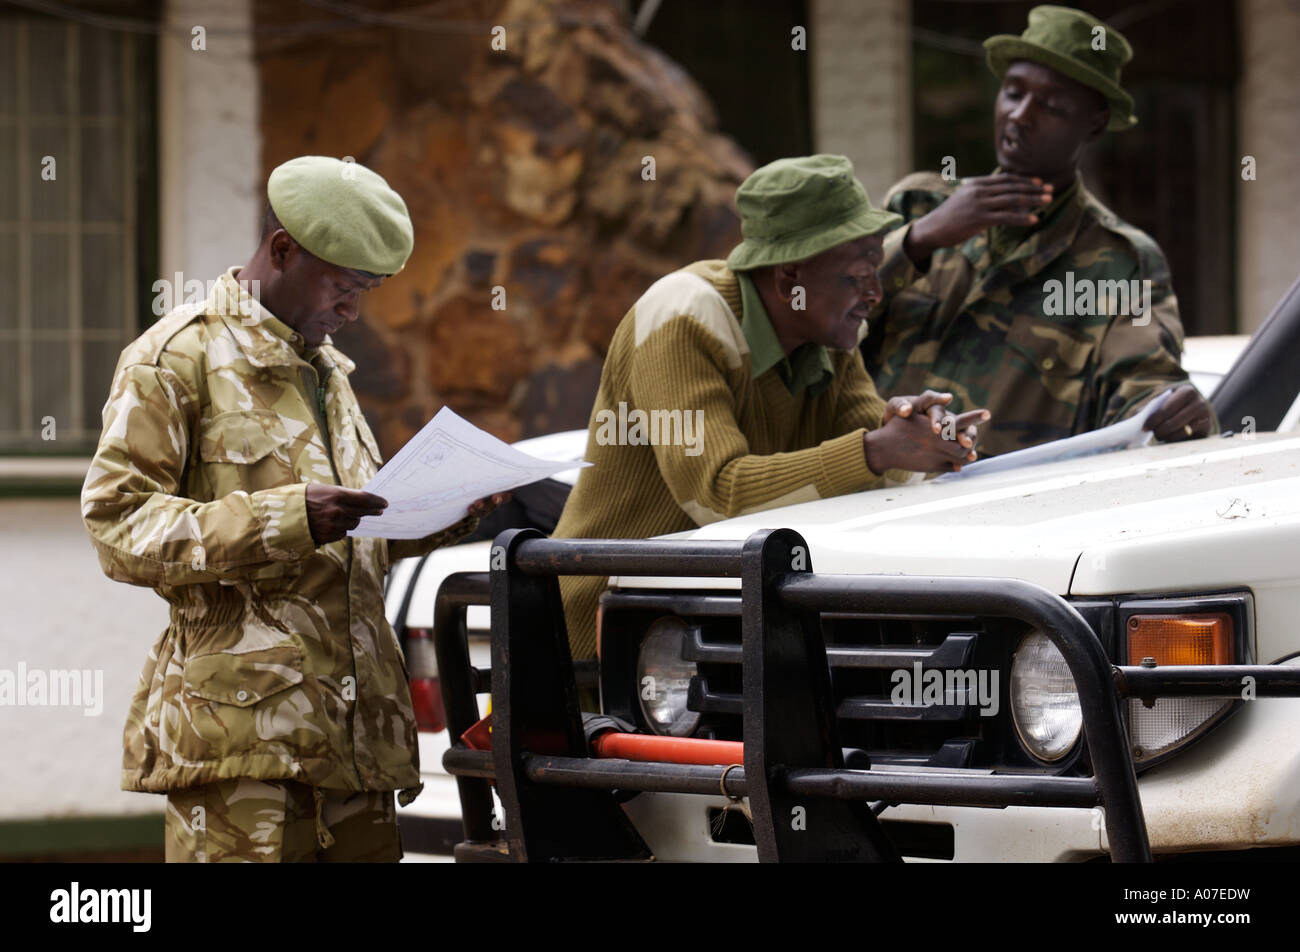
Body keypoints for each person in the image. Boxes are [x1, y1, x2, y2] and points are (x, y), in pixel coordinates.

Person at [82, 155, 504, 862]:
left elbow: (345, 539)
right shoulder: (173, 359)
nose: (353, 310)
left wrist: (442, 513)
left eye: (367, 290)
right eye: (345, 285)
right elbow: (118, 528)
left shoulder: (326, 371)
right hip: (245, 752)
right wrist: (288, 517)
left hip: (357, 747)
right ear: (282, 250)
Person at [553, 154, 992, 659]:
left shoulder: (829, 335)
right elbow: (717, 494)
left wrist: (921, 438)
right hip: (594, 646)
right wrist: (879, 450)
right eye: (857, 275)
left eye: (877, 265)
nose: (876, 291)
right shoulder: (681, 318)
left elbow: (871, 449)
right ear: (789, 282)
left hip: (702, 635)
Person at [862, 4, 1216, 459]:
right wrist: (922, 239)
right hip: (869, 503)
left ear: (1095, 123)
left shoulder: (1120, 260)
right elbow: (825, 327)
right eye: (1013, 92)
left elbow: (1143, 384)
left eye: (1051, 105)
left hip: (1005, 512)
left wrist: (1170, 411)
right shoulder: (918, 206)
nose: (1021, 116)